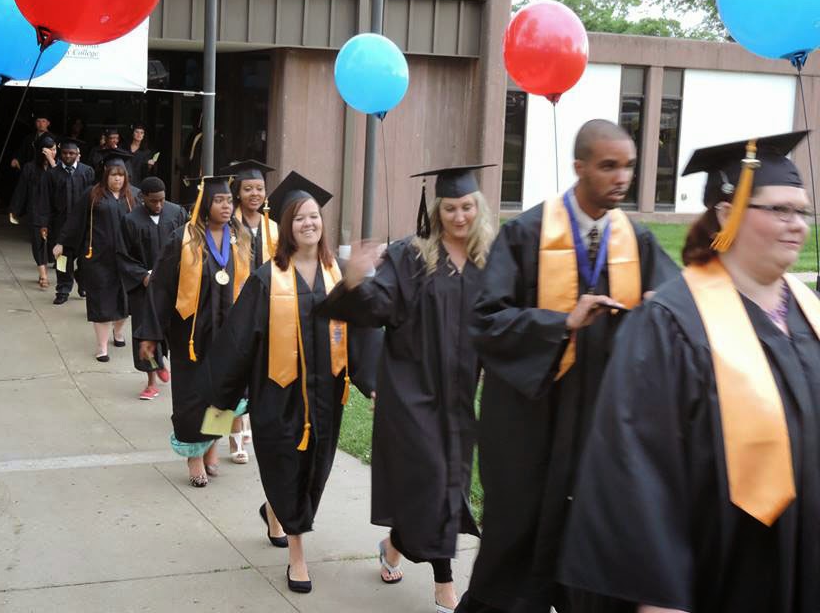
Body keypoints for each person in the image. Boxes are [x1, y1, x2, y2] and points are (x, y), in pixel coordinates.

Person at [560, 131, 820, 613]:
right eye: (779, 210)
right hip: (722, 577)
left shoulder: (809, 312)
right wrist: (658, 600)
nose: (797, 225)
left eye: (801, 211)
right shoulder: (672, 325)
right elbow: (636, 474)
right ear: (728, 215)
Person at [462, 120, 679, 613]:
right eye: (609, 166)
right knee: (516, 552)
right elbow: (484, 321)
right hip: (530, 425)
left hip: (598, 427)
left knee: (596, 548)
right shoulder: (525, 234)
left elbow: (679, 307)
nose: (621, 177)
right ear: (579, 167)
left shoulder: (637, 241)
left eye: (628, 166)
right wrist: (561, 322)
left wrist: (658, 308)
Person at [319, 165, 496, 612]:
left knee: (443, 486)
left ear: (480, 207)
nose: (459, 216)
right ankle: (444, 584)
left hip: (459, 399)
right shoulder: (413, 256)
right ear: (437, 209)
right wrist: (356, 279)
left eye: (467, 207)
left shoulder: (491, 260)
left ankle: (395, 544)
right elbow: (375, 307)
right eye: (451, 208)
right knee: (437, 484)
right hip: (412, 395)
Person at [198, 171, 377, 595]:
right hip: (277, 397)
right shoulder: (266, 279)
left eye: (314, 217)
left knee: (315, 472)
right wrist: (219, 411)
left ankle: (275, 511)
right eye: (299, 218)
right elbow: (238, 345)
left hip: (326, 398)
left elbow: (363, 332)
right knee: (286, 469)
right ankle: (297, 555)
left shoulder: (337, 274)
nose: (308, 224)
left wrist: (374, 384)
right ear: (287, 226)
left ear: (322, 223)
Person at [136, 175, 253, 487]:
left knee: (225, 395)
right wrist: (151, 333)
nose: (227, 206)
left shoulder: (240, 237)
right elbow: (160, 288)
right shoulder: (182, 239)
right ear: (205, 204)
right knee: (192, 397)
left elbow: (251, 286)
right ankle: (194, 455)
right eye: (219, 200)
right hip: (191, 334)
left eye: (229, 200)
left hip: (229, 335)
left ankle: (212, 446)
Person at [222, 158, 280, 462]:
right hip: (232, 310)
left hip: (268, 311)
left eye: (259, 188)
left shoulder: (274, 227)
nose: (254, 193)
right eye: (248, 189)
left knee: (259, 374)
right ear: (238, 193)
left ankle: (246, 428)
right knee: (230, 375)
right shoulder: (227, 225)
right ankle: (230, 437)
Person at [55, 150, 137, 362]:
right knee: (101, 300)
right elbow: (75, 220)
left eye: (121, 174)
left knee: (124, 299)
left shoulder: (133, 196)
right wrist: (62, 242)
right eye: (113, 174)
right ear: (105, 175)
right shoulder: (93, 195)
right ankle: (102, 347)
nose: (117, 178)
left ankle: (118, 333)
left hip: (126, 258)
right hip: (98, 257)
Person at [118, 177, 187, 400]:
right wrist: (142, 276)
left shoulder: (176, 213)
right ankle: (151, 382)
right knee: (145, 331)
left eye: (162, 200)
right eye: (153, 201)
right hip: (144, 286)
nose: (159, 205)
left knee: (172, 328)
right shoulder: (130, 220)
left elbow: (188, 246)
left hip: (172, 284)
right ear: (143, 198)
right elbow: (123, 254)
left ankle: (161, 362)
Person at [49, 138, 95, 304]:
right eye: (65, 153)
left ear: (78, 155)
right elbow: (46, 200)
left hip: (82, 225)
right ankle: (63, 289)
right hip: (61, 224)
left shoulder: (87, 171)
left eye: (72, 153)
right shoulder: (53, 174)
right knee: (62, 260)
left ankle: (82, 283)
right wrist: (44, 223)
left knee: (85, 259)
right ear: (60, 154)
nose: (68, 156)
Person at [9, 134, 58, 289]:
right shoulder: (30, 168)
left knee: (54, 244)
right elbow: (21, 190)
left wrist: (52, 162)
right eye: (49, 149)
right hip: (36, 210)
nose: (52, 152)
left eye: (54, 149)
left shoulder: (58, 168)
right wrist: (15, 209)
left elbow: (63, 185)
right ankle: (43, 274)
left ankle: (57, 273)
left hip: (55, 212)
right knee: (38, 243)